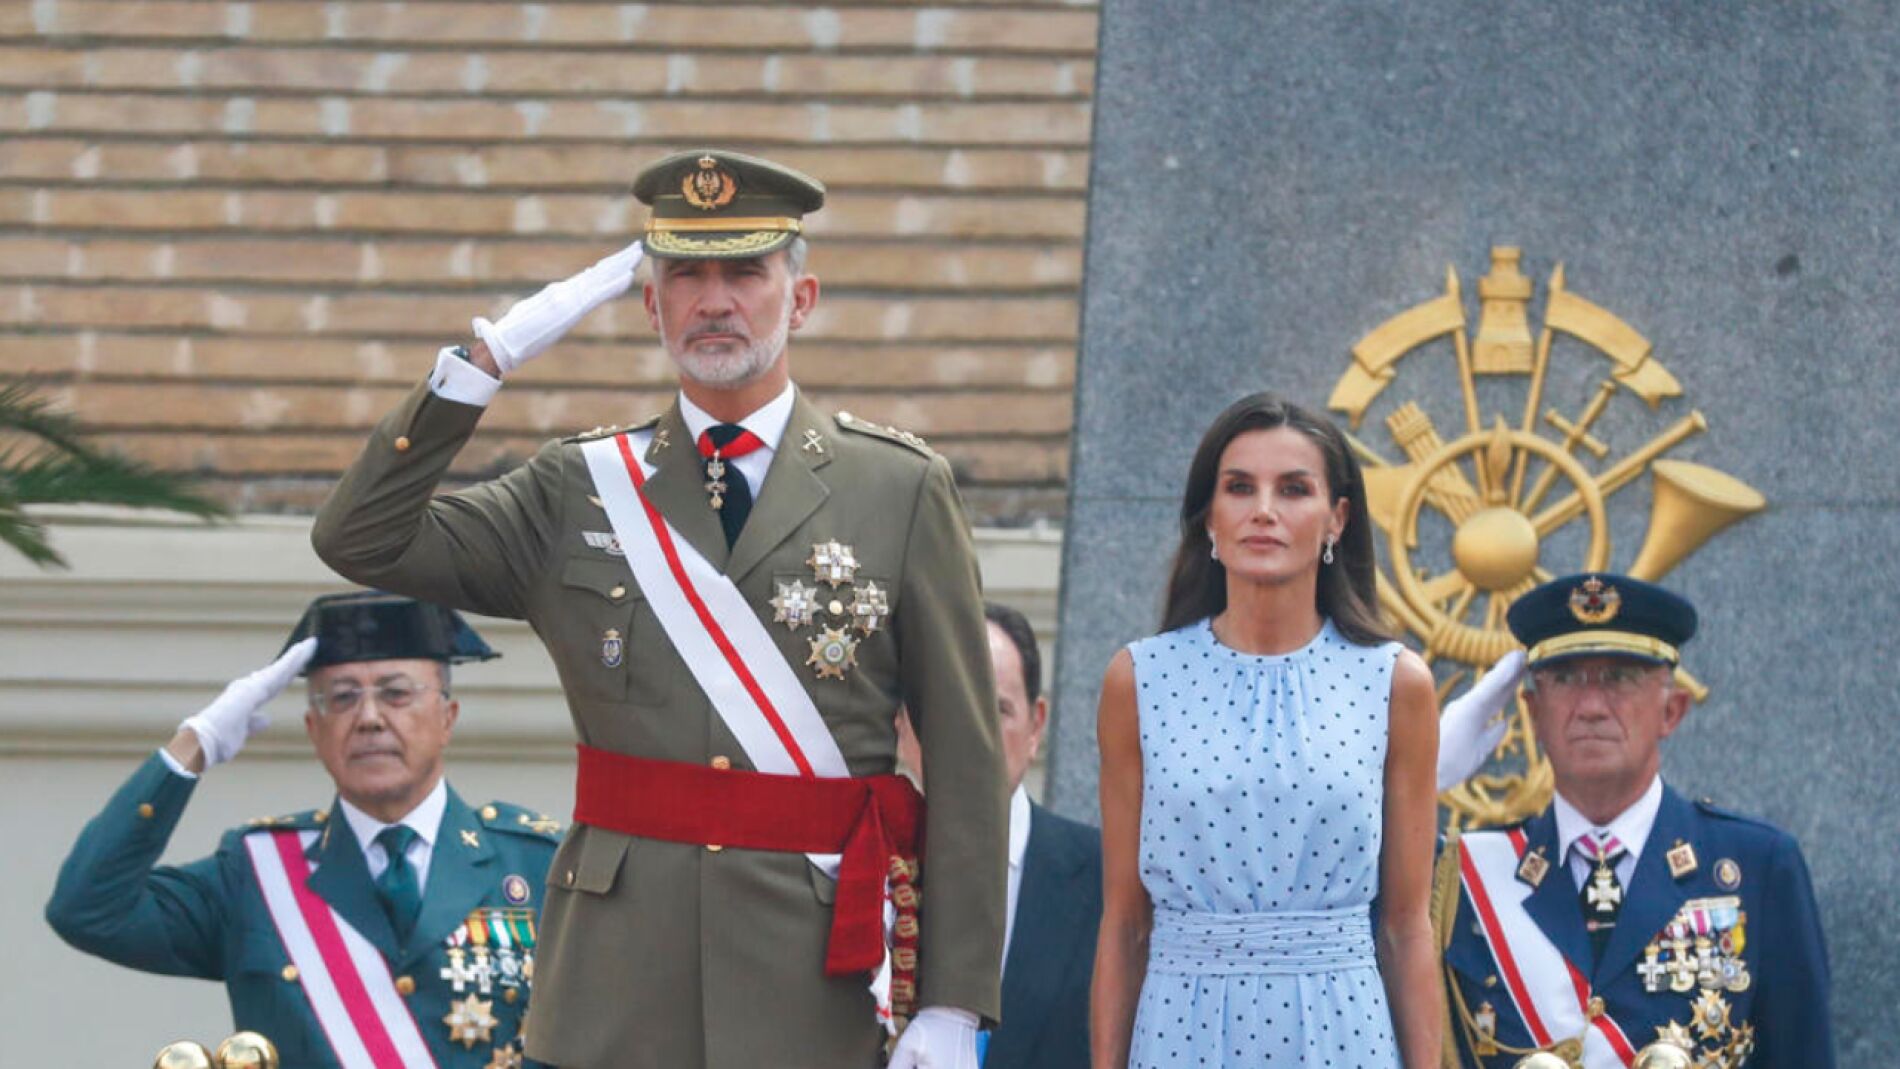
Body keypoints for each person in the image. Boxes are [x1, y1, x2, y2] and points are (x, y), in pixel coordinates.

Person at [309, 148, 1007, 1069]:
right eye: (685, 275)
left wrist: (953, 1000)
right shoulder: (577, 487)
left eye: (744, 272)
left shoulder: (898, 486)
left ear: (798, 299)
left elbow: (963, 758)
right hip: (615, 978)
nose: (714, 301)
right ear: (652, 305)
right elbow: (360, 538)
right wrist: (480, 367)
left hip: (814, 977)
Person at [45, 591, 560, 1069]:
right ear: (314, 731)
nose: (370, 718)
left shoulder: (538, 865)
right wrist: (191, 747)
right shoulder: (257, 873)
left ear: (447, 717)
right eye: (341, 698)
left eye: (397, 694)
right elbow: (88, 909)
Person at [1092, 391, 1450, 1068]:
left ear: (1337, 518)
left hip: (1341, 1027)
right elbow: (1125, 922)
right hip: (1180, 1027)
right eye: (1239, 487)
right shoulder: (1139, 679)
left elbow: (1407, 926)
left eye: (1292, 489)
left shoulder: (1395, 683)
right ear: (1209, 518)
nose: (1264, 510)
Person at [1436, 573, 1834, 1068]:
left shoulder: (1755, 866)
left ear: (1672, 710)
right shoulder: (1461, 876)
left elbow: (1802, 1054)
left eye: (1619, 678)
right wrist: (1411, 777)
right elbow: (1327, 897)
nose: (1592, 707)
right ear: (1533, 714)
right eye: (1565, 679)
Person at [896, 602, 1101, 1069]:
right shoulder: (855, 869)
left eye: (998, 710)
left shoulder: (1106, 880)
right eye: (950, 709)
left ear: (1036, 725)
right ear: (903, 724)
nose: (975, 735)